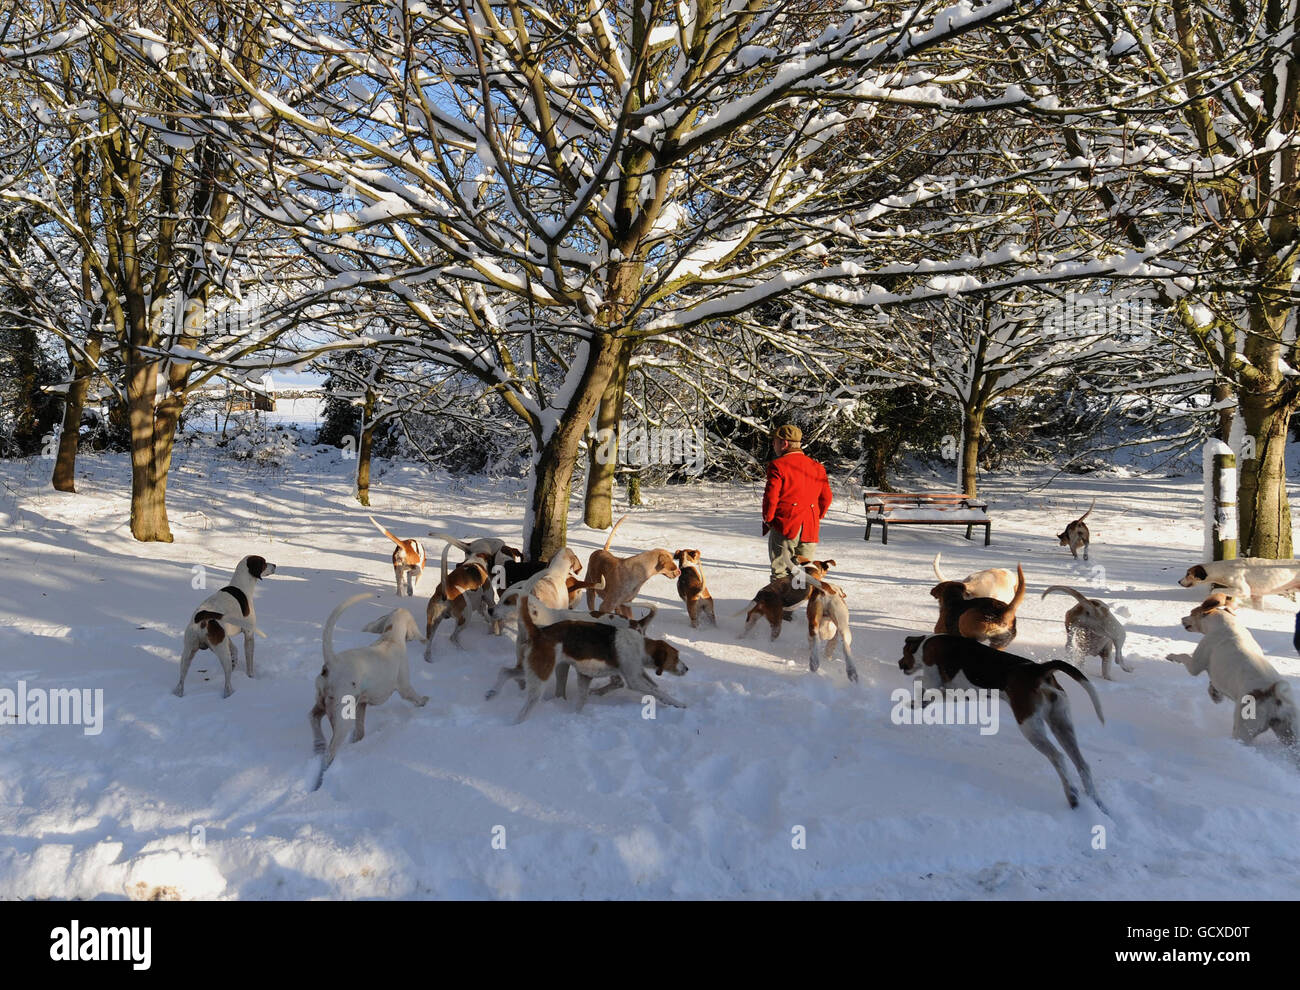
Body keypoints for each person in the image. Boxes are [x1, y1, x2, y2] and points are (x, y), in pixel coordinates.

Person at [762, 424, 832, 581]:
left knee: (780, 571)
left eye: (774, 441)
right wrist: (815, 516)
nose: (773, 445)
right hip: (810, 526)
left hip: (785, 524)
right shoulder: (817, 467)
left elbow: (771, 498)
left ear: (784, 443)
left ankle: (780, 604)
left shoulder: (778, 466)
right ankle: (798, 604)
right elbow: (826, 497)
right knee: (803, 573)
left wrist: (769, 519)